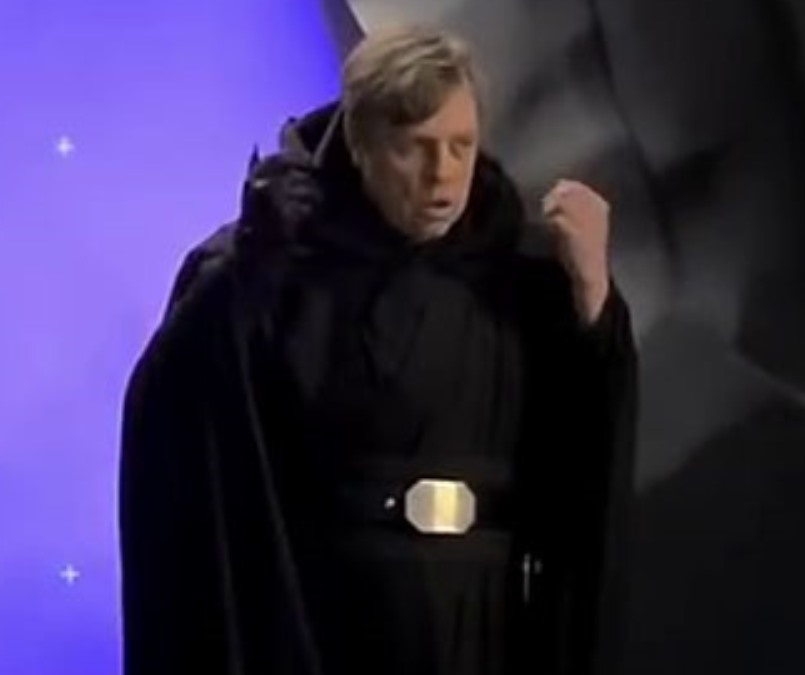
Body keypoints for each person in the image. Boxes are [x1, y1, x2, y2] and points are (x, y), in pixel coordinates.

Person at [119, 25, 638, 675]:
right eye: (414, 148)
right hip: (327, 619)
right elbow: (178, 419)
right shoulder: (281, 263)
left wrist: (594, 301)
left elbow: (581, 446)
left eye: (460, 145)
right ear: (361, 144)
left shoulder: (516, 271)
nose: (443, 173)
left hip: (482, 618)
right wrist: (243, 280)